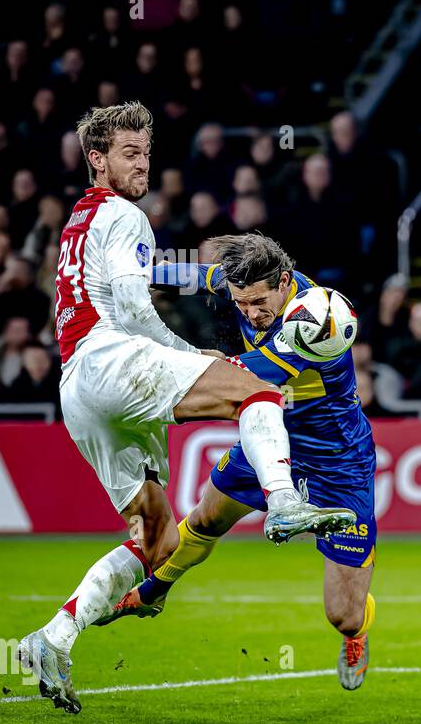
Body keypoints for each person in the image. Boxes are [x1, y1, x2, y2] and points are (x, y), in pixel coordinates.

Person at [17, 103, 354, 715]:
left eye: (145, 152)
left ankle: (53, 639)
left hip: (77, 388)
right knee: (253, 390)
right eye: (128, 154)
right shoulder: (123, 213)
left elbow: (134, 285)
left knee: (156, 538)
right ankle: (283, 504)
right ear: (97, 159)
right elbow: (132, 301)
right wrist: (182, 348)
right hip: (113, 359)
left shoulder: (79, 221)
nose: (142, 164)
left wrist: (198, 292)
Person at [111, 234, 380, 691]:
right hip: (271, 439)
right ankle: (154, 593)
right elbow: (194, 276)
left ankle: (358, 635)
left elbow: (247, 376)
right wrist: (137, 276)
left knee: (343, 614)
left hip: (336, 459)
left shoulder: (315, 321)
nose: (251, 313)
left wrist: (190, 363)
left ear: (282, 282)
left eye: (258, 303)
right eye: (241, 303)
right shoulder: (244, 281)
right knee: (206, 517)